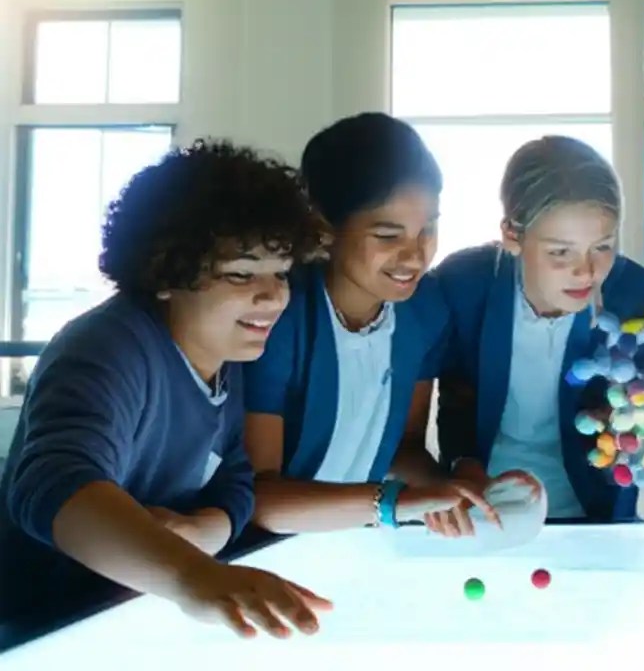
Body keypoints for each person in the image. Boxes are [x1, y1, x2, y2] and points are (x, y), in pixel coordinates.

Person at [0, 140, 334, 639]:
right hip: (41, 624)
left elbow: (233, 475)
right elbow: (54, 485)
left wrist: (208, 531)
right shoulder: (107, 347)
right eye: (241, 273)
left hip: (133, 616)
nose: (273, 295)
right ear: (164, 273)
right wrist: (196, 576)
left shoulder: (222, 354)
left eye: (281, 273)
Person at [242, 113, 498, 536]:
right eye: (387, 235)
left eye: (427, 229)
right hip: (256, 561)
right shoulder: (278, 318)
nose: (415, 256)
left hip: (354, 548)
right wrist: (392, 504)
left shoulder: (425, 311)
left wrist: (462, 493)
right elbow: (259, 496)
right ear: (324, 228)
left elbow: (404, 449)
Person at [433, 136, 644, 523]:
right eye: (560, 252)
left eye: (603, 247)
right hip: (486, 507)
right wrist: (462, 465)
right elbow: (453, 401)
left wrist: (630, 422)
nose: (586, 271)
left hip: (594, 513)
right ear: (512, 235)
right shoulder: (463, 285)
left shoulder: (633, 294)